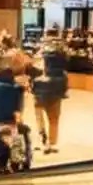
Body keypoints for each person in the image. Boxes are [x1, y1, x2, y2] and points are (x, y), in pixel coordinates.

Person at [29, 28, 69, 156]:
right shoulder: (62, 49)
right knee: (54, 117)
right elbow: (66, 65)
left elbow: (33, 67)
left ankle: (43, 140)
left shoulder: (39, 49)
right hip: (57, 86)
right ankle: (52, 143)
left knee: (39, 115)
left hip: (39, 87)